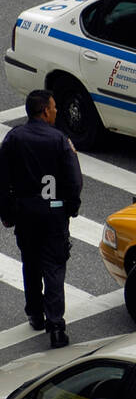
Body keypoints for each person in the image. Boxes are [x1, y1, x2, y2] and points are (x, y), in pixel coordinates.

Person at [0, 89, 84, 348]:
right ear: (45, 110)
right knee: (54, 267)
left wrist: (7, 213)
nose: (57, 110)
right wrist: (71, 207)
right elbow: (74, 179)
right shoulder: (60, 140)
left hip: (26, 213)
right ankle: (56, 325)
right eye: (55, 107)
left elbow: (2, 181)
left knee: (31, 263)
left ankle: (35, 313)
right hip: (53, 213)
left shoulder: (13, 138)